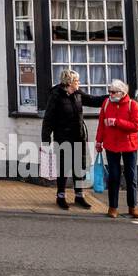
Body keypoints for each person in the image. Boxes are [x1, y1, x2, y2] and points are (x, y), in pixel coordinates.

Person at [41, 69, 106, 210]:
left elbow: (93, 100)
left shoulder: (77, 94)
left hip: (79, 137)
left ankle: (79, 196)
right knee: (63, 168)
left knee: (80, 167)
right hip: (63, 138)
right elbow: (48, 120)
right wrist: (45, 142)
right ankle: (61, 196)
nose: (79, 83)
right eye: (77, 81)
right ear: (69, 82)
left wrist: (110, 96)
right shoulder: (56, 95)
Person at [95, 78, 138, 219]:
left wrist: (117, 122)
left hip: (129, 146)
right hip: (111, 145)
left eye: (113, 92)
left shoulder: (132, 105)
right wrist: (99, 141)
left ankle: (132, 207)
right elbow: (101, 125)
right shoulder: (106, 104)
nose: (110, 94)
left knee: (131, 177)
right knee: (114, 176)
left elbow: (136, 126)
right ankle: (112, 207)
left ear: (122, 93)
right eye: (109, 92)